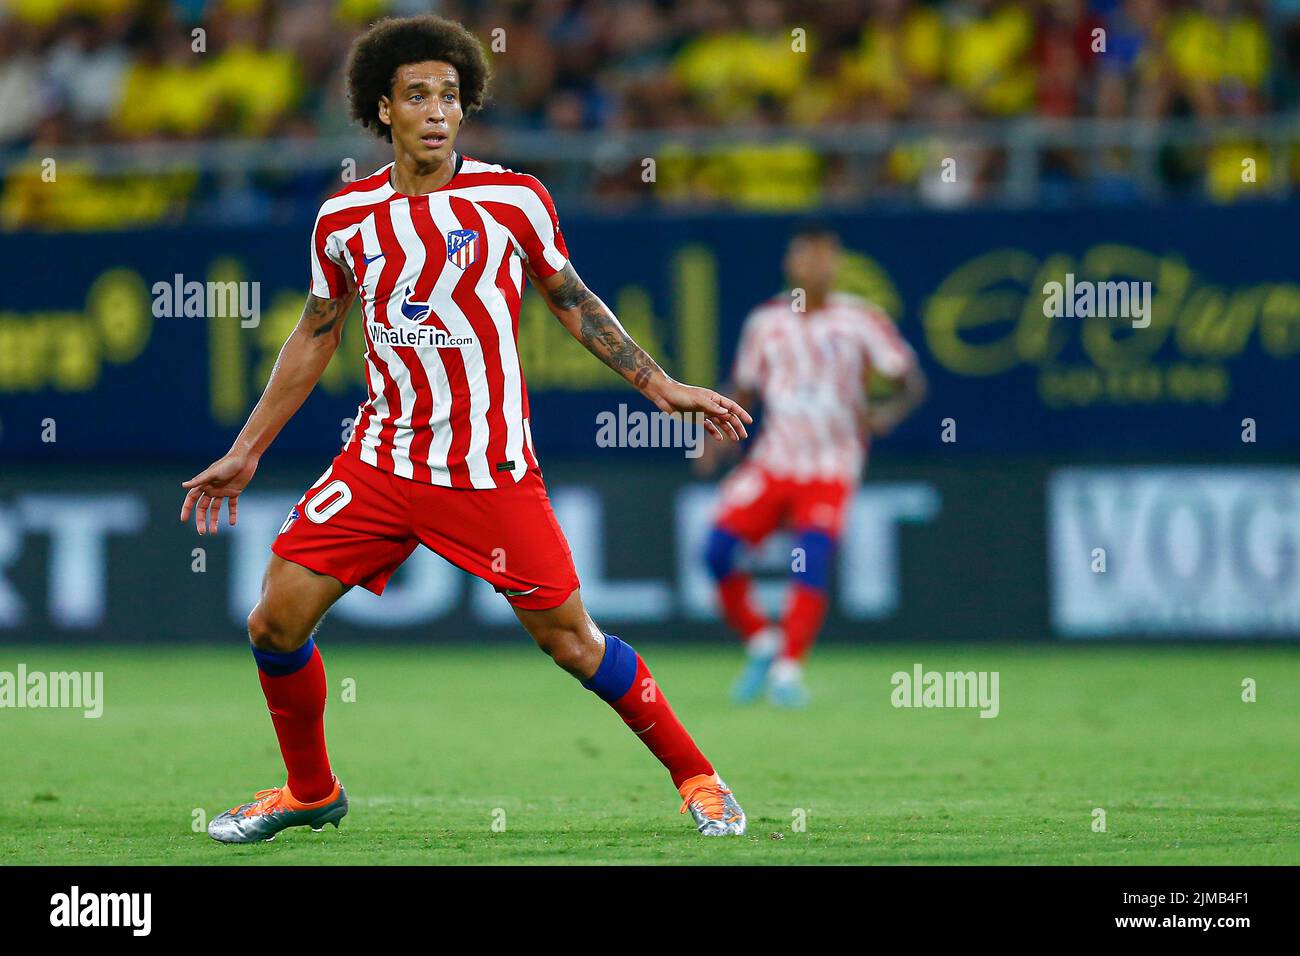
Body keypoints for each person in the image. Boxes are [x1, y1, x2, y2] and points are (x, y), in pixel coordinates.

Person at [179, 14, 752, 843]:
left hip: (487, 471)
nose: (438, 110)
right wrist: (245, 451)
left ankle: (698, 776)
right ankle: (310, 791)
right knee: (273, 620)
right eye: (418, 95)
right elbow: (314, 333)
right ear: (384, 110)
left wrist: (657, 382)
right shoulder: (343, 219)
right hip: (380, 462)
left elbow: (570, 297)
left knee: (574, 644)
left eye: (451, 94)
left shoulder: (515, 198)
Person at [699, 224, 926, 707]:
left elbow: (910, 380)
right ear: (791, 264)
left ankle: (787, 671)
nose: (815, 267)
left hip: (830, 464)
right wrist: (715, 438)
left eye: (825, 258)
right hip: (774, 459)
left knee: (812, 558)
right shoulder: (766, 322)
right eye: (806, 257)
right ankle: (763, 642)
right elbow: (743, 387)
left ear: (836, 265)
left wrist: (885, 414)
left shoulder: (860, 320)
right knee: (716, 550)